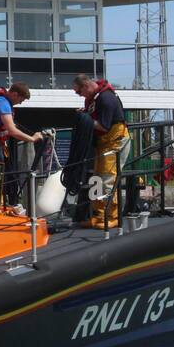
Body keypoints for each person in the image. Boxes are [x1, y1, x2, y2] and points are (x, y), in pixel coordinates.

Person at [73, 73, 130, 230]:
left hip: (114, 142)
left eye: (79, 92)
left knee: (107, 178)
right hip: (103, 143)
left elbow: (104, 125)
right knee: (96, 178)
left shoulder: (106, 98)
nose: (79, 95)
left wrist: (85, 119)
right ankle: (98, 214)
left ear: (86, 86)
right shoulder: (94, 99)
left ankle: (113, 216)